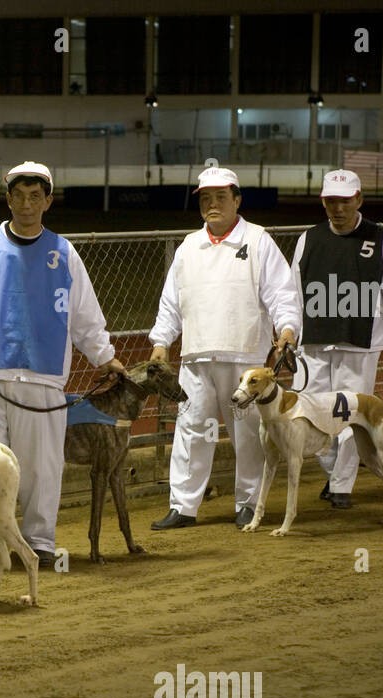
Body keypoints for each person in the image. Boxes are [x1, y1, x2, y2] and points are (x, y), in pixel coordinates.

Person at [0, 161, 124, 575]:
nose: (26, 204)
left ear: (48, 201)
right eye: (18, 196)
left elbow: (84, 316)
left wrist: (104, 355)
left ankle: (38, 542)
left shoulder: (64, 251)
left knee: (42, 467)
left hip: (44, 377)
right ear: (8, 199)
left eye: (35, 196)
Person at [148, 167, 300, 530]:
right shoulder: (188, 246)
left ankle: (248, 503)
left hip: (245, 357)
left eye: (220, 197)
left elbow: (282, 294)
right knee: (191, 430)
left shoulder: (260, 240)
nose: (211, 204)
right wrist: (160, 341)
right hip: (197, 356)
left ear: (237, 200)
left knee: (248, 435)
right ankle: (183, 506)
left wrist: (288, 330)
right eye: (204, 198)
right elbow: (172, 301)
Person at [291, 169, 383, 508]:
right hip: (314, 343)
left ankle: (341, 486)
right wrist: (286, 332)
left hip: (360, 342)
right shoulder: (309, 239)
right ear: (323, 202)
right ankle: (332, 474)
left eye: (345, 201)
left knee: (353, 417)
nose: (338, 208)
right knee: (310, 416)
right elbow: (292, 293)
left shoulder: (380, 238)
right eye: (331, 201)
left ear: (359, 200)